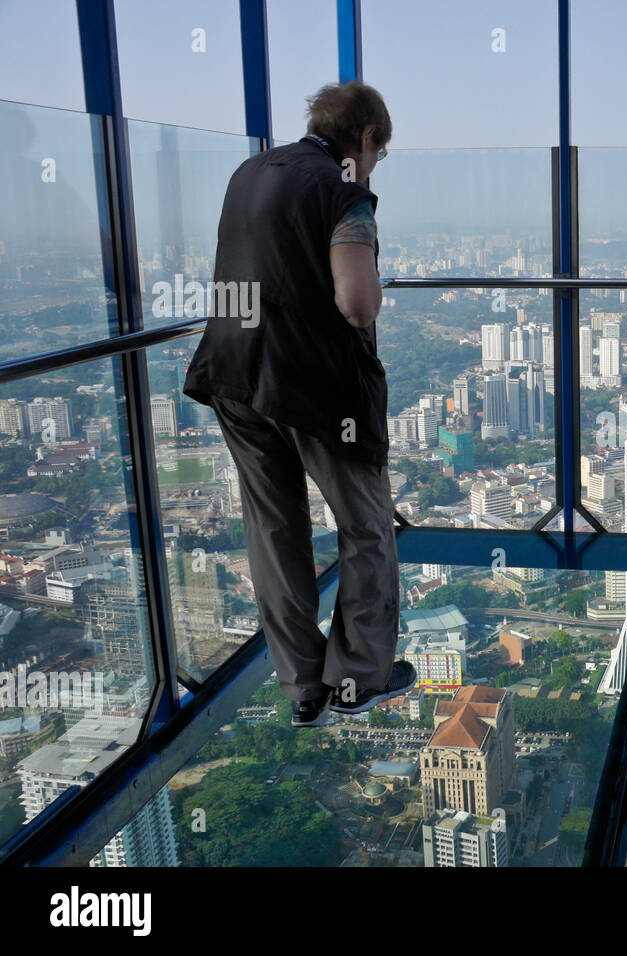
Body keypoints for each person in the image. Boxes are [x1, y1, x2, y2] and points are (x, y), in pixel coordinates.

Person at [183, 81, 415, 727]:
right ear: (365, 137)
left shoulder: (250, 171)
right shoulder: (344, 194)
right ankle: (359, 677)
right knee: (365, 524)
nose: (373, 166)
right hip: (311, 383)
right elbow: (358, 302)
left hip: (232, 370)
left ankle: (303, 685)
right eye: (378, 152)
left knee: (274, 527)